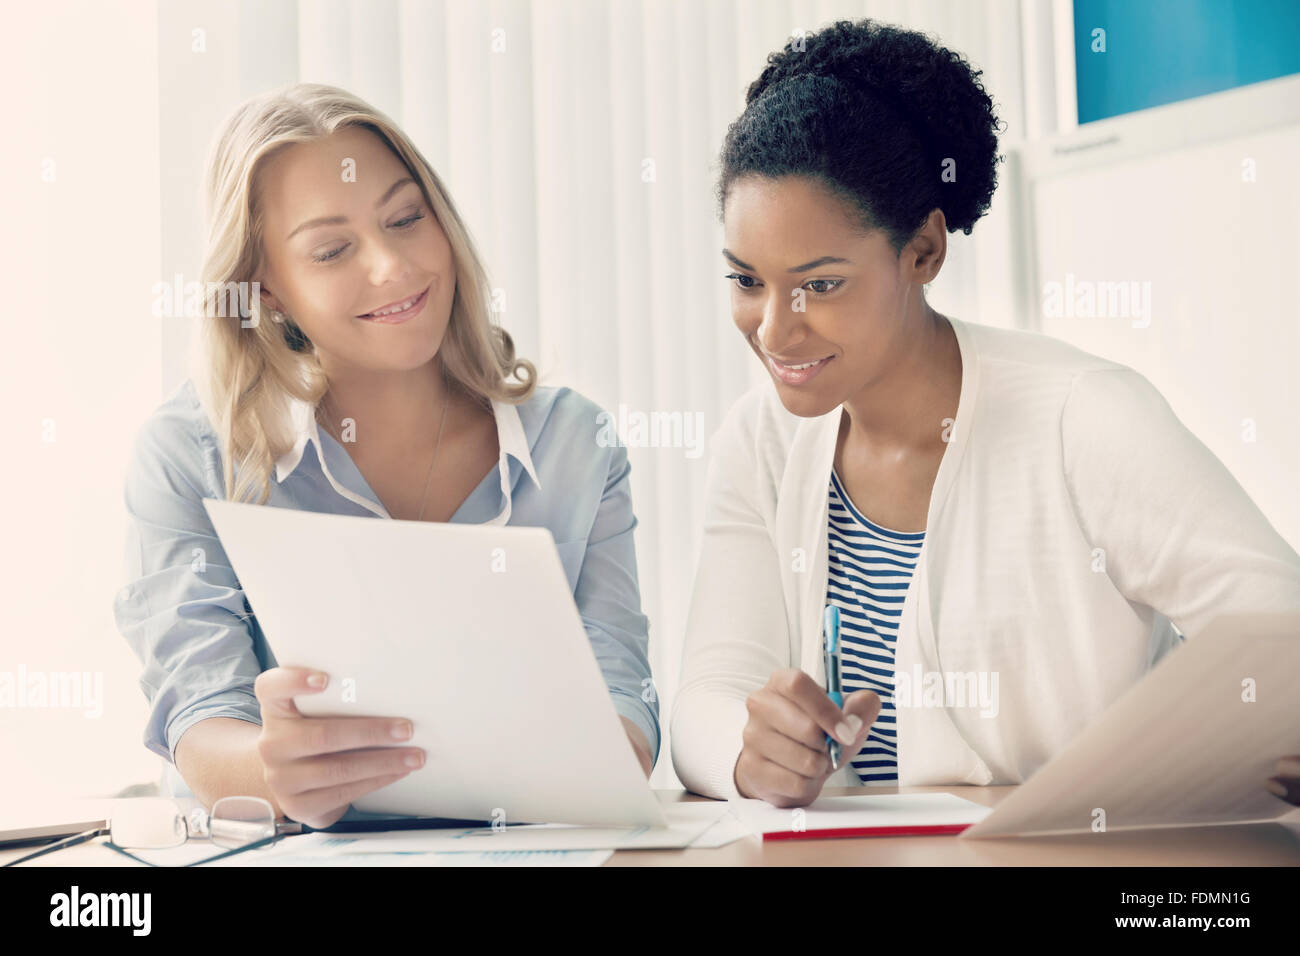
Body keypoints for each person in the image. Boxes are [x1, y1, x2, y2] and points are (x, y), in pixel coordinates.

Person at [670, 19, 1300, 808]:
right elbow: (707, 694)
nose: (774, 328)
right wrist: (748, 753)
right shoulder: (759, 442)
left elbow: (1282, 645)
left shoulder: (1083, 418)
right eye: (746, 280)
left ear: (924, 252)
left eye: (820, 284)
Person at [114, 83, 657, 830]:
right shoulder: (191, 455)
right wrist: (271, 771)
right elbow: (201, 719)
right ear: (264, 288)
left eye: (407, 218)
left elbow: (621, 690)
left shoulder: (573, 445)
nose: (394, 267)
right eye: (333, 250)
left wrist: (614, 757)